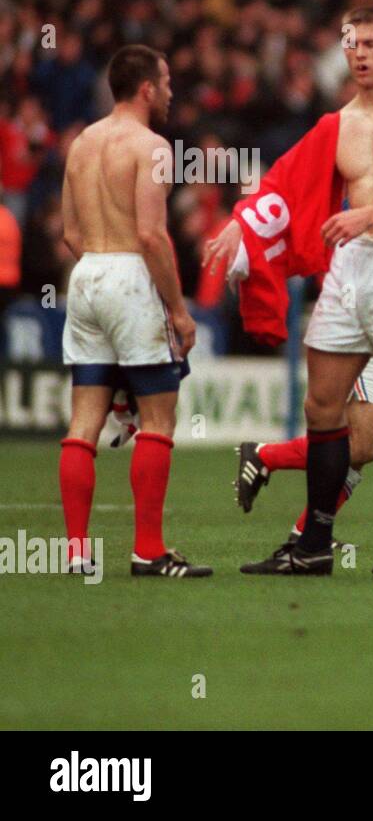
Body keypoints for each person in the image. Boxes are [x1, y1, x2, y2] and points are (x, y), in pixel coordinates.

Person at [205, 5, 373, 578]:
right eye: (353, 45)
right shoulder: (336, 125)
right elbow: (283, 183)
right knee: (321, 407)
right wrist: (240, 223)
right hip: (349, 267)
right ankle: (314, 545)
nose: (362, 54)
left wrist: (372, 211)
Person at [56, 44, 207, 578]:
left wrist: (100, 272)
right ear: (146, 88)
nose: (170, 92)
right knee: (158, 418)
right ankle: (148, 550)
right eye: (165, 82)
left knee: (83, 422)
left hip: (88, 272)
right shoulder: (152, 147)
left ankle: (75, 552)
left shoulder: (81, 143)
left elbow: (69, 232)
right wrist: (180, 311)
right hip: (129, 274)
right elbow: (150, 234)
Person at [235, 288, 373, 574]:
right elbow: (367, 261)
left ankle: (306, 537)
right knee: (362, 445)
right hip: (364, 331)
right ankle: (267, 456)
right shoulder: (357, 248)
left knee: (363, 450)